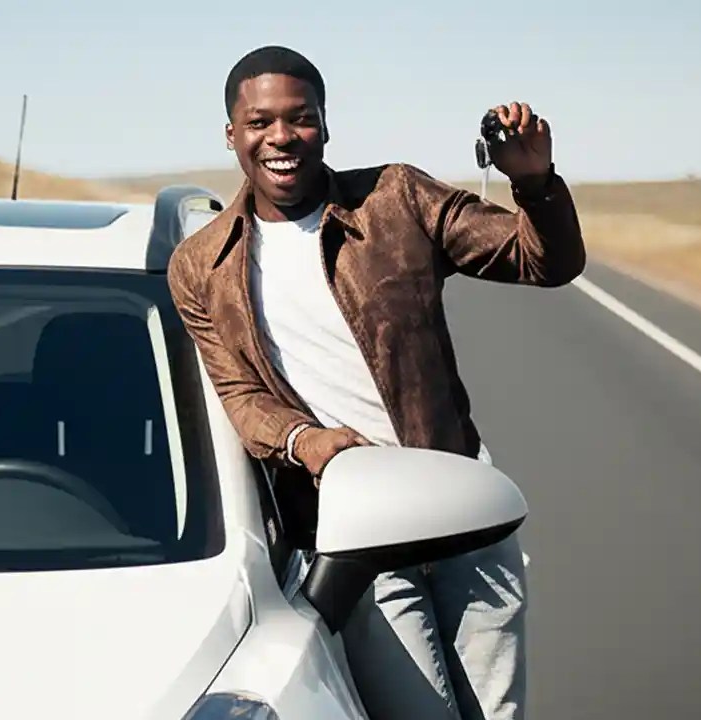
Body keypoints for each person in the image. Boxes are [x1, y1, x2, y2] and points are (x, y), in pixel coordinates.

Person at [166, 45, 585, 720]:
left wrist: (535, 182)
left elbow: (544, 262)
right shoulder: (201, 264)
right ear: (232, 134)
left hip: (465, 514)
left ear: (325, 125)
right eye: (260, 122)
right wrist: (304, 440)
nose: (281, 137)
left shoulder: (397, 199)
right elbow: (240, 396)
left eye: (300, 118)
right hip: (357, 537)